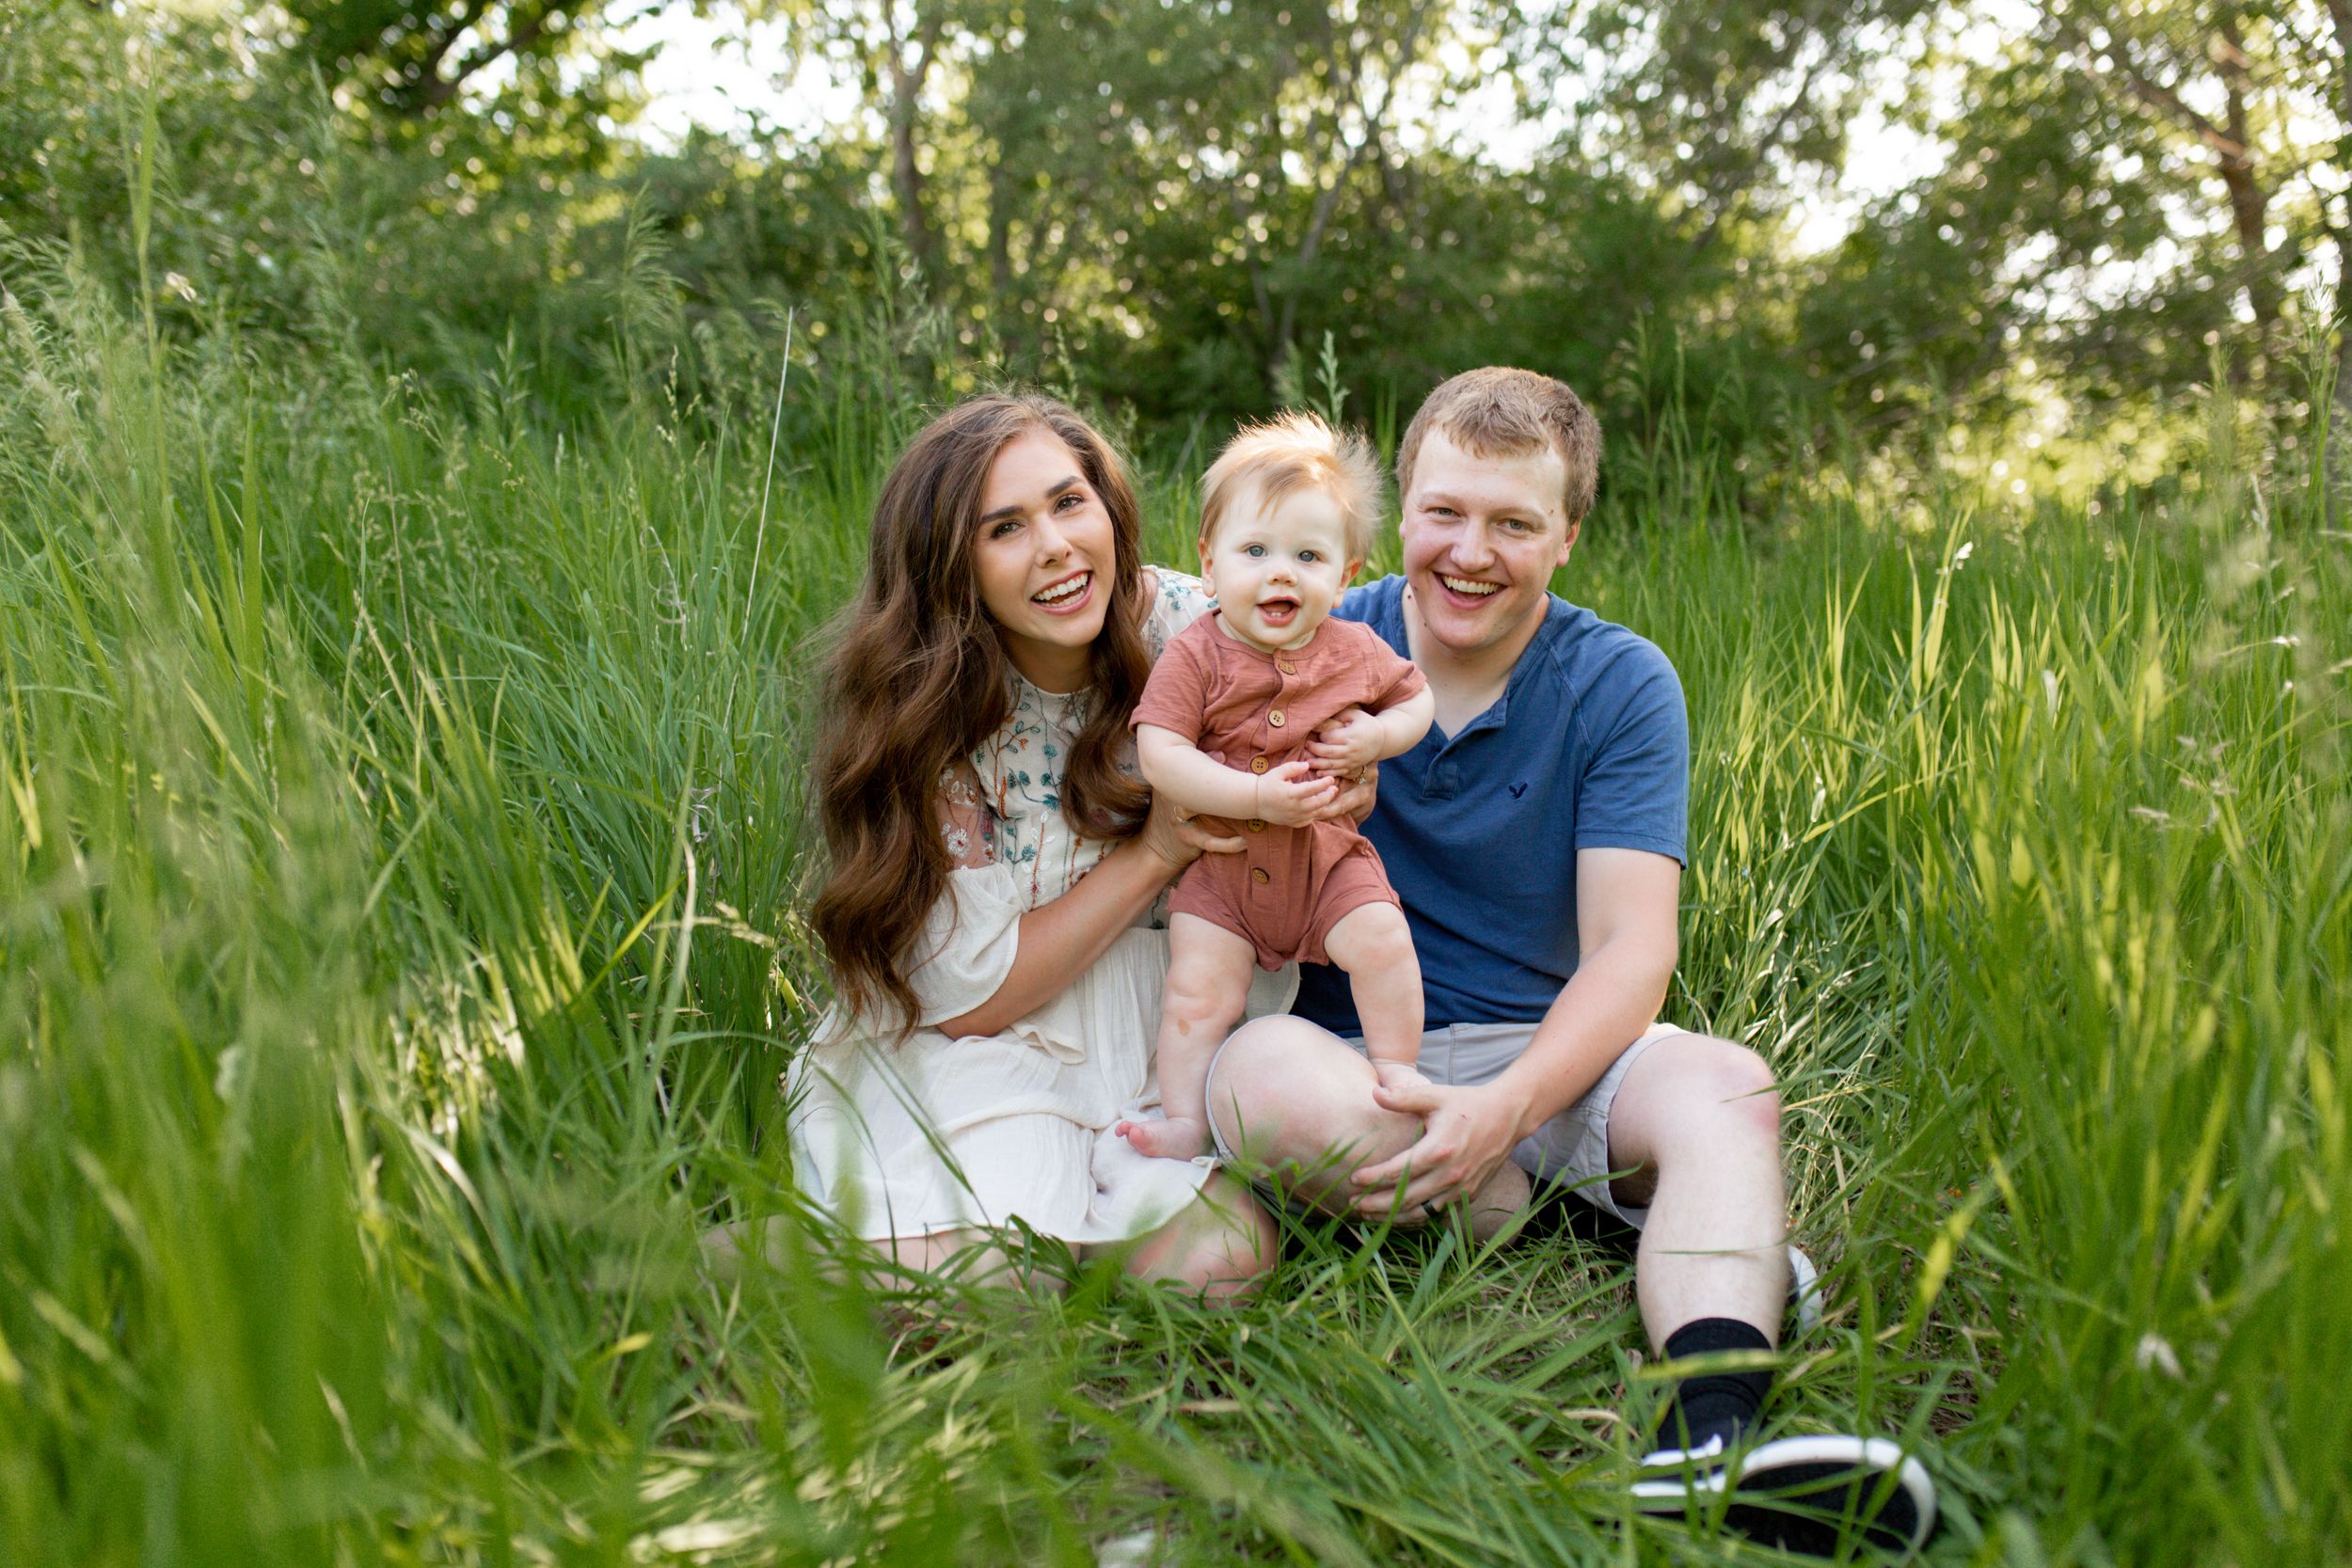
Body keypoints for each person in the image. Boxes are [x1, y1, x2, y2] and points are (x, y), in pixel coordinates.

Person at [1202, 368, 1937, 1553]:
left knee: (1727, 1084)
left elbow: (1632, 952)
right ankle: (1573, 1220)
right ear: (1400, 518)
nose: (1470, 552)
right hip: (1352, 1058)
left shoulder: (1619, 681)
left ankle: (1708, 1435)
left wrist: (1508, 1107)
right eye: (1444, 511)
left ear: (1568, 538)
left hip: (1545, 1053)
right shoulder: (1309, 626)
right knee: (1252, 1080)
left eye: (1513, 523)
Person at [787, 391, 1343, 1302]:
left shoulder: (1201, 628)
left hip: (1167, 1039)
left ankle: (1007, 1254)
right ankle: (730, 1264)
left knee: (1219, 1265)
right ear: (950, 568)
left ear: (1109, 506)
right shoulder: (929, 715)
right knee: (992, 1275)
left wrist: (1346, 760)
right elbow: (970, 1000)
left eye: (1067, 501)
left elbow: (1343, 663)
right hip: (989, 1043)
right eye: (1003, 527)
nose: (1053, 544)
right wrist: (1156, 851)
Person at [1114, 414, 1438, 1163]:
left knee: (1386, 941)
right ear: (1210, 562)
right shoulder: (1197, 654)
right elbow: (1160, 749)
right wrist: (1253, 797)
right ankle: (1186, 1120)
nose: (1280, 571)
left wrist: (1379, 738)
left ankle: (1394, 1073)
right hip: (1223, 874)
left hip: (1327, 862)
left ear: (1346, 573)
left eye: (1308, 554)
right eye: (1254, 550)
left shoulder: (1355, 647)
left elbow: (1415, 698)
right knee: (1197, 998)